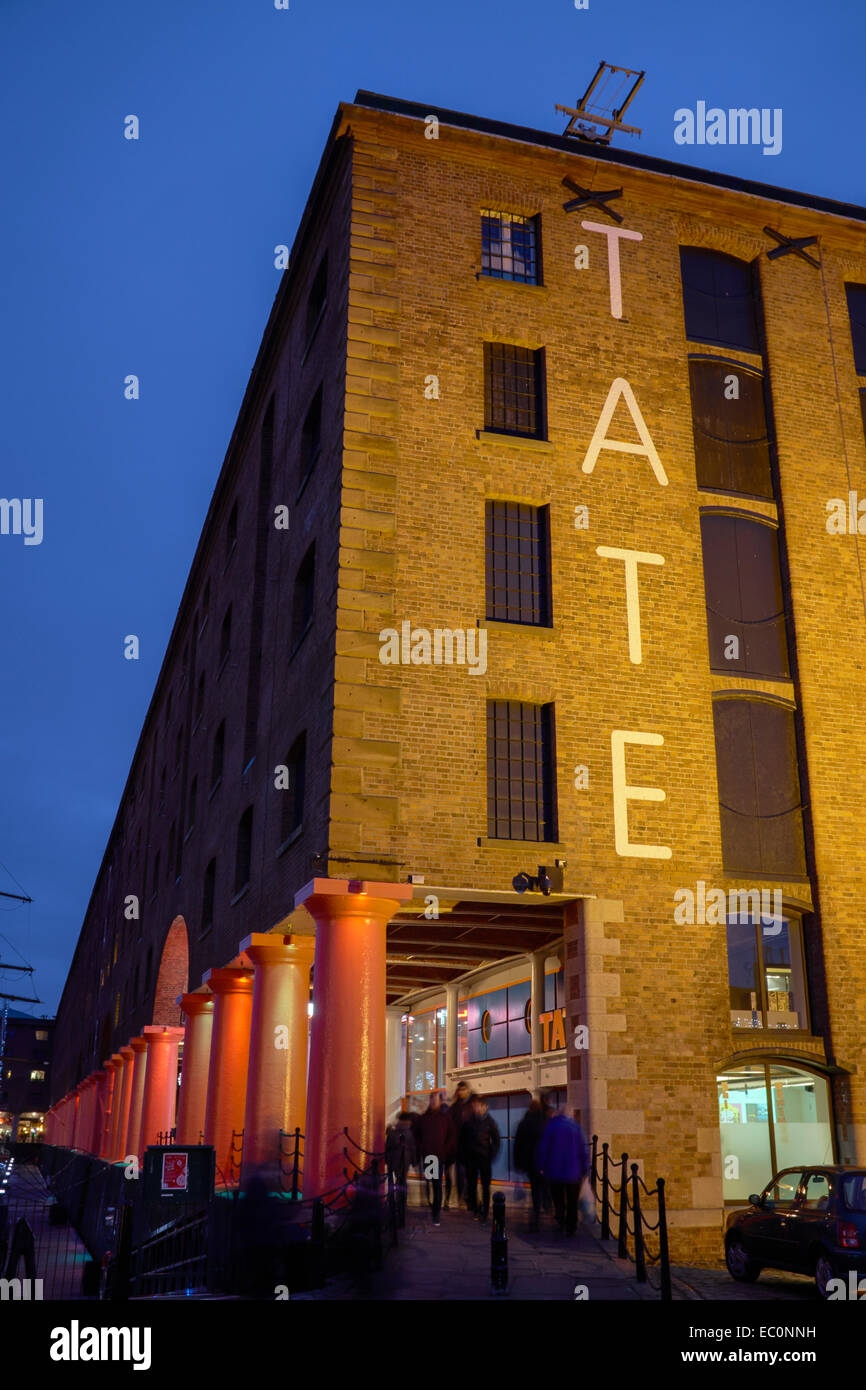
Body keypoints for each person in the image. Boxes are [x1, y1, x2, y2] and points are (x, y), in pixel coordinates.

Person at [535, 1104, 589, 1237]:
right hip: (573, 1171)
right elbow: (584, 1149)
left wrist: (541, 1166)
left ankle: (560, 1220)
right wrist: (586, 1167)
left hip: (555, 1170)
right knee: (572, 1199)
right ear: (570, 1114)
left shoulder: (552, 1127)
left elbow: (544, 1148)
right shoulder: (577, 1128)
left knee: (558, 1198)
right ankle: (572, 1226)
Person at [414, 1091, 456, 1227]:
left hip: (438, 1157)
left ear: (439, 1101)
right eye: (431, 1100)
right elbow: (417, 1136)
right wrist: (422, 1149)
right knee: (428, 1183)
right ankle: (431, 1207)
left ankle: (435, 1213)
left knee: (437, 1184)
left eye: (436, 1100)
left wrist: (444, 1151)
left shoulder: (445, 1118)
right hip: (428, 1156)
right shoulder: (423, 1118)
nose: (433, 1102)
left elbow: (451, 1136)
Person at [513, 1095, 550, 1231]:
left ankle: (536, 1213)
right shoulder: (545, 1122)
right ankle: (546, 1205)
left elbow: (518, 1144)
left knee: (535, 1188)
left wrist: (517, 1163)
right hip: (544, 1160)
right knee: (543, 1185)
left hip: (530, 1161)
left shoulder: (524, 1123)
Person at [460, 1097, 501, 1222]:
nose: (477, 1108)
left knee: (485, 1186)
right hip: (472, 1158)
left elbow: (496, 1140)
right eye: (476, 1106)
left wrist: (491, 1154)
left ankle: (484, 1212)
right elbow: (462, 1141)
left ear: (485, 1107)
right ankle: (476, 1209)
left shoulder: (490, 1122)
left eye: (479, 1106)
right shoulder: (469, 1122)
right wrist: (465, 1156)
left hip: (484, 1158)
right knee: (472, 1185)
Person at [444, 1080, 474, 1209]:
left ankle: (467, 1199)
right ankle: (459, 1198)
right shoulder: (454, 1108)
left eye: (464, 1089)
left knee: (468, 1174)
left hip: (469, 1146)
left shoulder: (472, 1106)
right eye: (460, 1090)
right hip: (456, 1147)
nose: (462, 1092)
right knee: (459, 1174)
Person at [385, 1109, 418, 1226]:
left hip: (393, 1162)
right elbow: (413, 1148)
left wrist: (387, 1160)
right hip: (404, 1162)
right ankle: (401, 1209)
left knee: (394, 1183)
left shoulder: (393, 1132)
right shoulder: (409, 1132)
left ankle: (395, 1206)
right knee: (402, 1183)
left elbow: (387, 1147)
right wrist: (414, 1162)